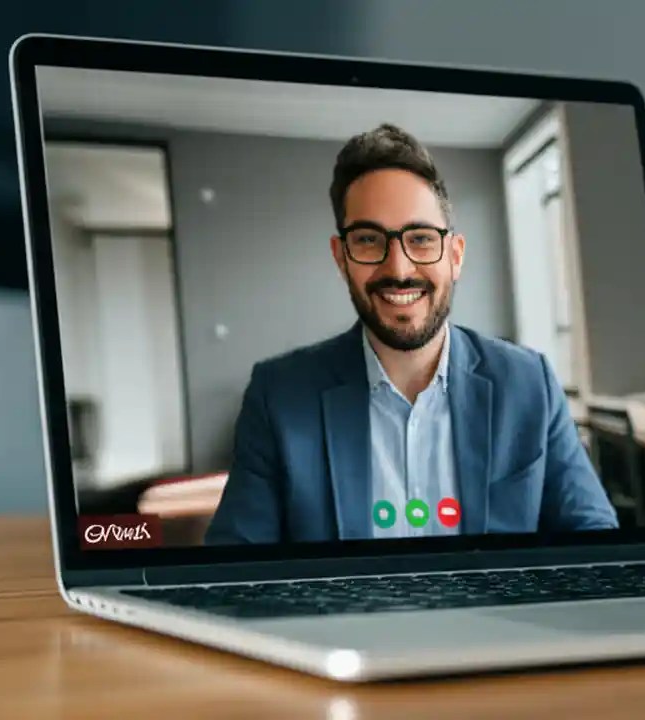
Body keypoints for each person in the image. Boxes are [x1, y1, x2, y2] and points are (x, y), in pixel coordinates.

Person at [206, 124, 618, 544]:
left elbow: (595, 539)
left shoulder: (531, 384)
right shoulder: (278, 396)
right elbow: (233, 566)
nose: (399, 270)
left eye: (421, 239)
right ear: (341, 257)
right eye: (368, 240)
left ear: (455, 255)